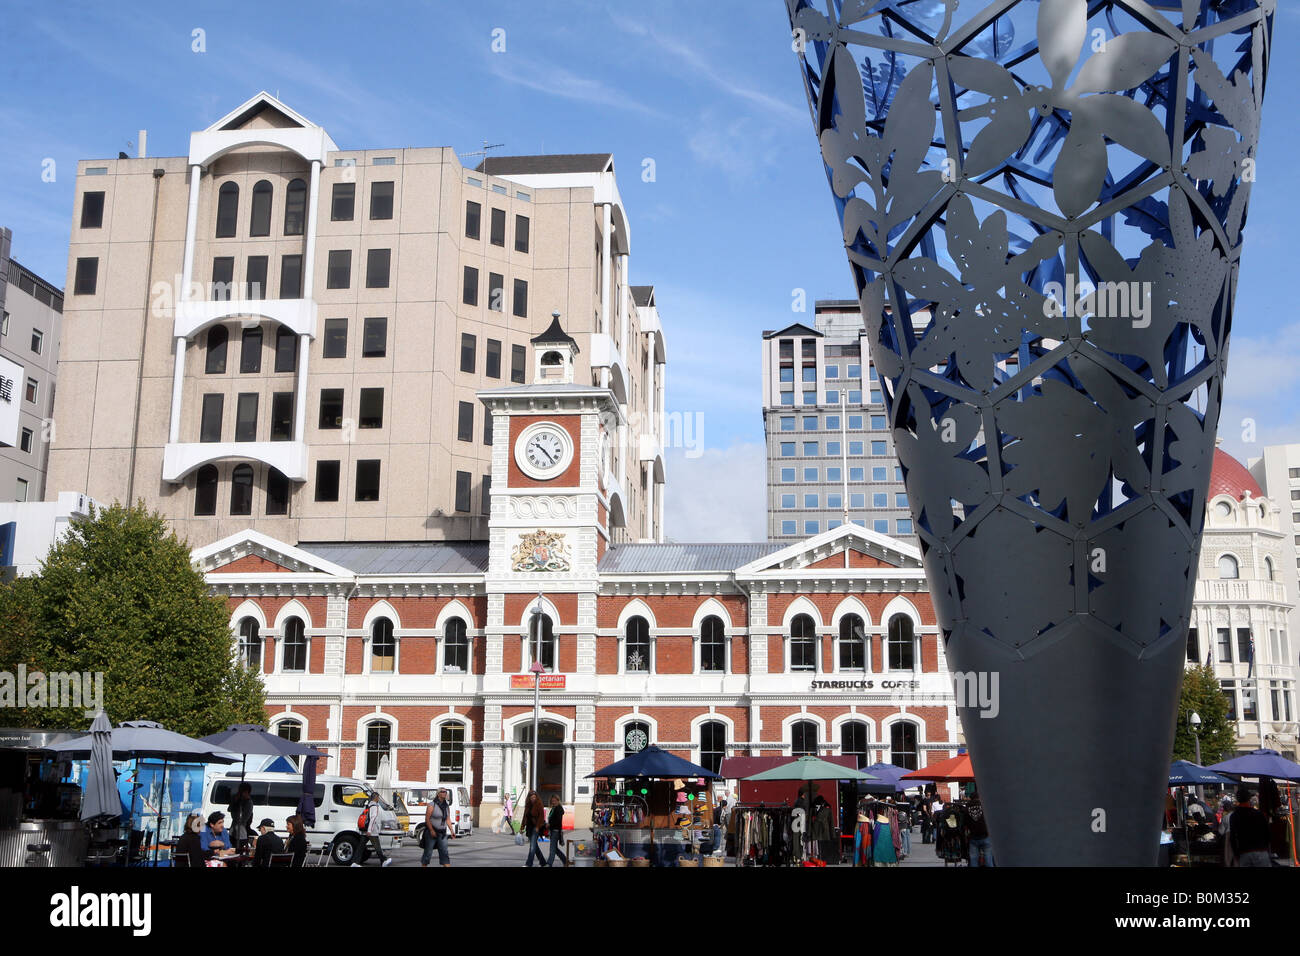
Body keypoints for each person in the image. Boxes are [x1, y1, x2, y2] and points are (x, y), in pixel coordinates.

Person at [1227, 787, 1272, 867]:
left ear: (1237, 799)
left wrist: (1236, 854)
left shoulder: (1234, 816)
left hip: (1245, 853)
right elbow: (1267, 834)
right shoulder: (1259, 814)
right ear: (1249, 798)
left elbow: (1232, 837)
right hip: (1261, 851)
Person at [353, 792, 392, 867]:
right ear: (376, 798)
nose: (378, 799)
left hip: (365, 829)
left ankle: (355, 862)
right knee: (377, 847)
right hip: (372, 830)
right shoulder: (374, 806)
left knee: (360, 847)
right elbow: (373, 818)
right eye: (378, 797)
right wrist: (370, 830)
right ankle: (383, 861)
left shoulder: (368, 805)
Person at [422, 788, 452, 868]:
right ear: (438, 794)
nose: (445, 793)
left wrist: (452, 830)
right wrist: (431, 830)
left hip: (442, 833)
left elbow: (448, 819)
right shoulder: (432, 805)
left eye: (446, 792)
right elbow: (427, 819)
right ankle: (424, 865)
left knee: (444, 852)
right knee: (428, 852)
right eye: (442, 792)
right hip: (432, 832)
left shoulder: (446, 806)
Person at [965, 791, 994, 867]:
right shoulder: (985, 805)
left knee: (973, 859)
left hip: (973, 836)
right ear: (979, 797)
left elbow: (965, 821)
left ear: (970, 798)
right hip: (985, 835)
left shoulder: (967, 807)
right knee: (988, 858)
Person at [227, 781, 255, 853]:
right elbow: (229, 809)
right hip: (234, 827)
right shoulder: (236, 799)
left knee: (240, 846)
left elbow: (245, 818)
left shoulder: (249, 802)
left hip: (242, 827)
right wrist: (235, 800)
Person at [521, 791, 546, 867]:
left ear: (536, 797)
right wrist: (522, 827)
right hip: (529, 828)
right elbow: (525, 816)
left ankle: (529, 863)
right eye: (531, 797)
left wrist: (538, 827)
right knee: (535, 846)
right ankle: (543, 862)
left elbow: (541, 817)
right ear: (529, 798)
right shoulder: (528, 805)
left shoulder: (539, 804)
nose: (533, 799)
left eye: (534, 797)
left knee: (532, 846)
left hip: (536, 828)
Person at [546, 795, 569, 867]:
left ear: (558, 800)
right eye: (552, 801)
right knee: (555, 849)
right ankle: (565, 861)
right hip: (553, 830)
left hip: (556, 831)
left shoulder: (558, 809)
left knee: (552, 849)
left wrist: (550, 825)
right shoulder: (553, 808)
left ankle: (549, 863)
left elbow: (558, 821)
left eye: (555, 800)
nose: (553, 802)